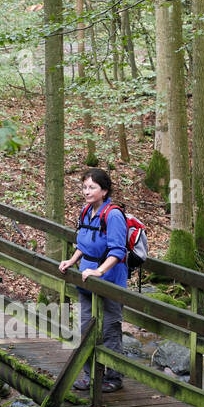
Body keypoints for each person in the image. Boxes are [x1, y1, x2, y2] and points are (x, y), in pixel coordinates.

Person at [58, 168, 127, 393]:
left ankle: (114, 377)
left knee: (110, 330)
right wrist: (71, 260)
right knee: (84, 329)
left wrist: (100, 271)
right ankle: (90, 375)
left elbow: (118, 251)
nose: (86, 192)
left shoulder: (114, 215)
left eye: (92, 188)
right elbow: (83, 243)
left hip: (109, 282)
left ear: (104, 191)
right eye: (85, 187)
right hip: (85, 280)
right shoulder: (85, 211)